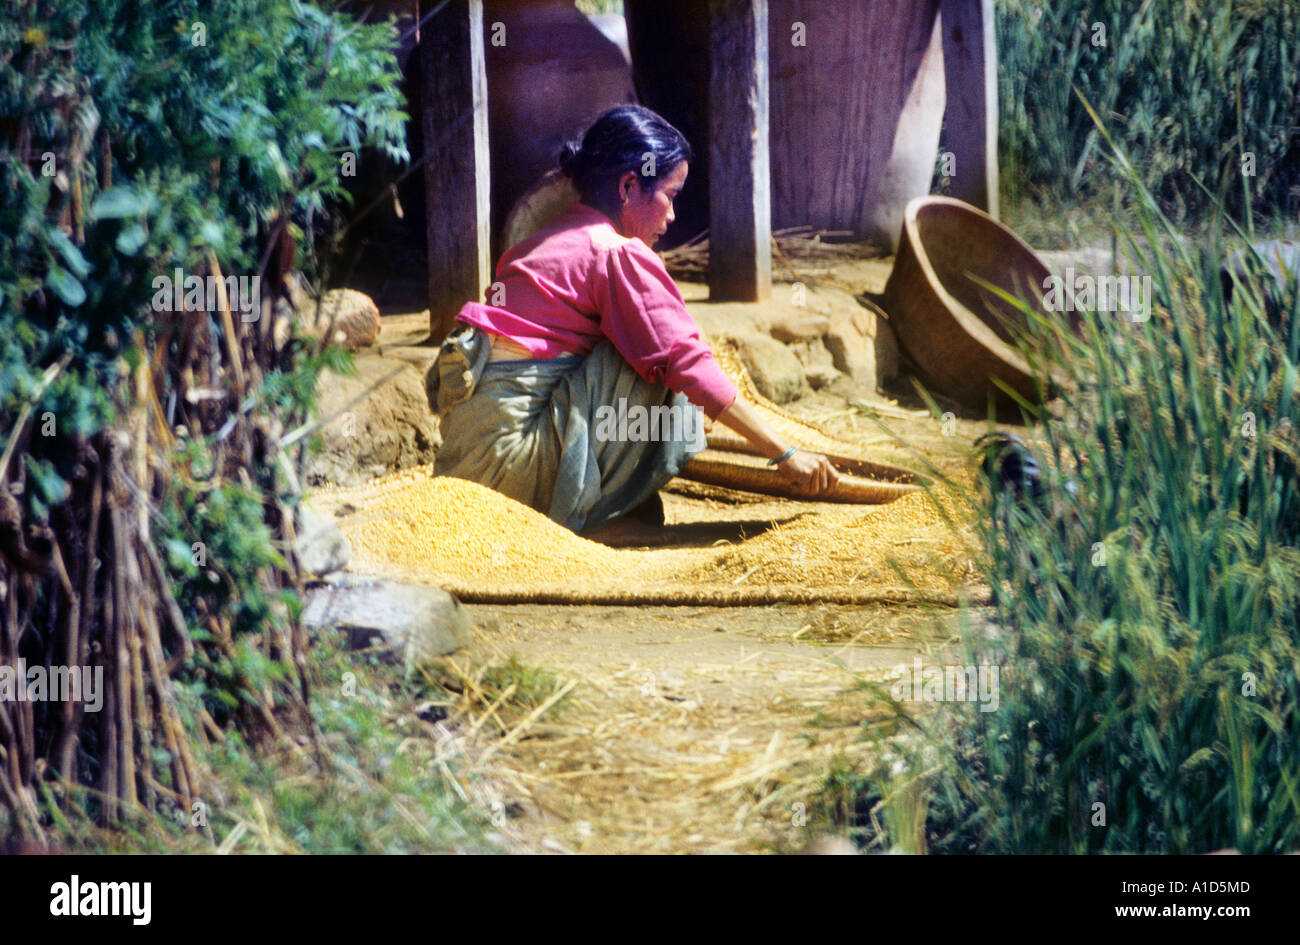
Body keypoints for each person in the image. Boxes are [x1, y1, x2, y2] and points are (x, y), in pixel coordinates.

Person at [429, 104, 839, 539]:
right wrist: (785, 453)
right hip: (513, 469)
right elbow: (685, 361)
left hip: (470, 468)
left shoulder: (539, 241)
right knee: (659, 357)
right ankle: (584, 512)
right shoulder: (615, 252)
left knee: (653, 349)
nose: (673, 215)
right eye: (671, 195)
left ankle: (607, 498)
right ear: (628, 186)